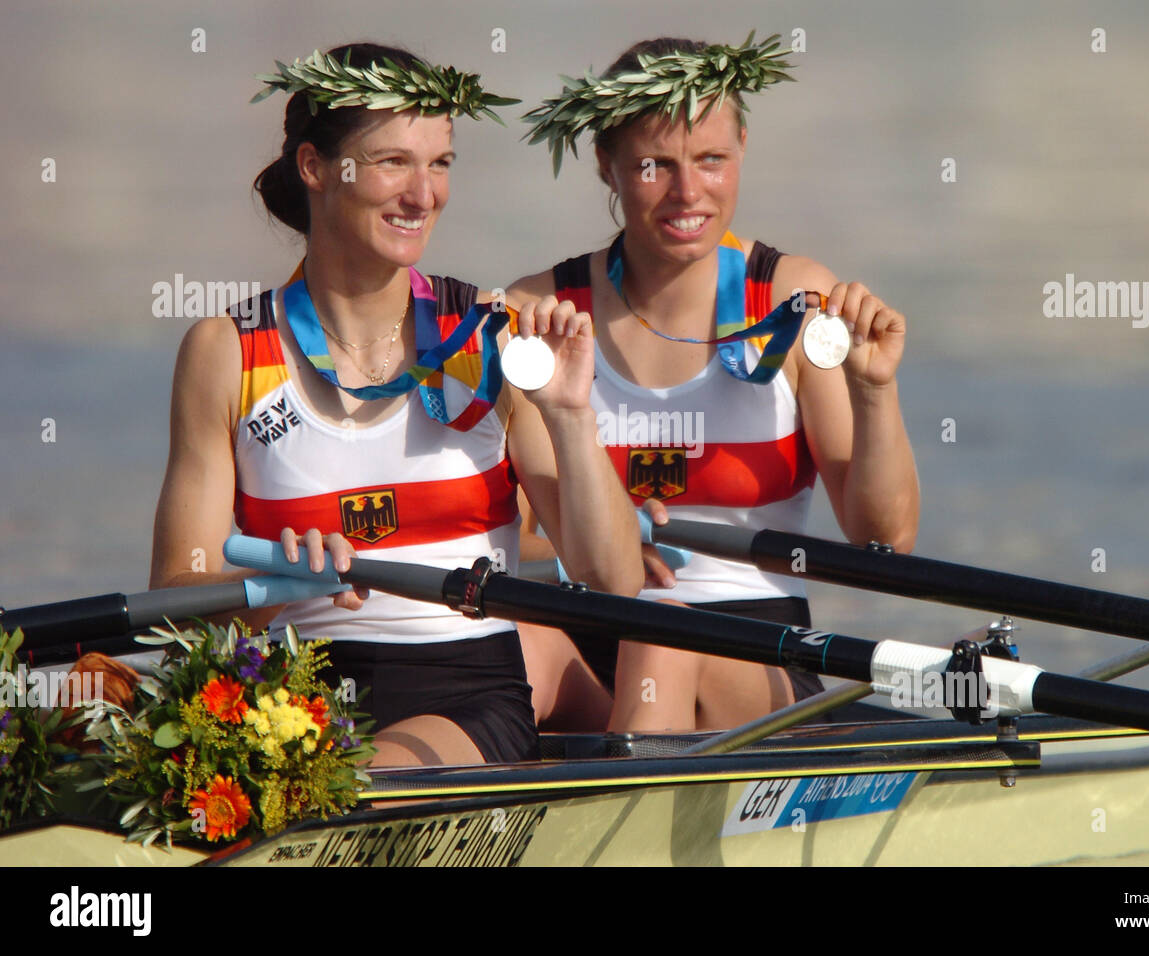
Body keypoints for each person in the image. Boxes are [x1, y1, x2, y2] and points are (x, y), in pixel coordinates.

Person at [149, 43, 641, 767]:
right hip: (290, 702)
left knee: (356, 782)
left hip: (467, 696)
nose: (424, 194)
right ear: (315, 167)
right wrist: (274, 586)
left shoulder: (490, 334)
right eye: (393, 163)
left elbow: (613, 580)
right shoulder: (226, 351)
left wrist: (571, 418)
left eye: (440, 163)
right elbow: (173, 602)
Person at [513, 35, 920, 733]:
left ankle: (625, 792)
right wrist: (607, 537)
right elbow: (512, 532)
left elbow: (884, 538)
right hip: (593, 628)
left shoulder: (796, 300)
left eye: (711, 160)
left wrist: (874, 392)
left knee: (665, 638)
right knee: (512, 648)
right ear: (606, 164)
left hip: (756, 653)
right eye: (656, 166)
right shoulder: (540, 312)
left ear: (742, 150)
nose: (688, 193)